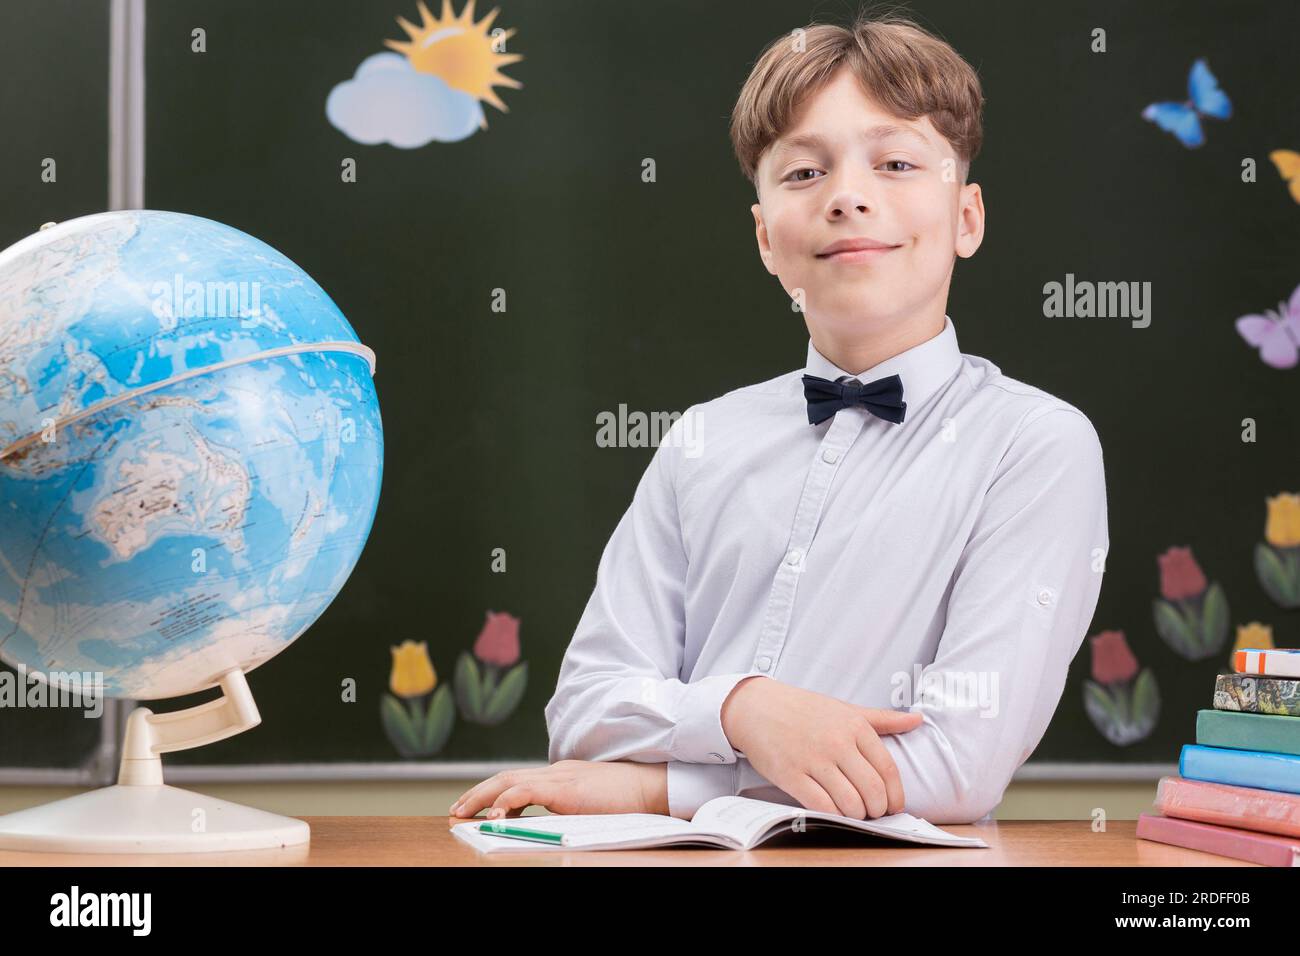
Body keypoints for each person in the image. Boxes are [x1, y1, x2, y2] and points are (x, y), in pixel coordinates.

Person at [451, 12, 1108, 826]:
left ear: (966, 218)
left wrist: (659, 786)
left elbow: (956, 766)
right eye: (803, 174)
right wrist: (743, 711)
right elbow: (586, 712)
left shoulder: (1035, 445)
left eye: (896, 162)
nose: (847, 197)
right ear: (766, 238)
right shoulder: (701, 440)